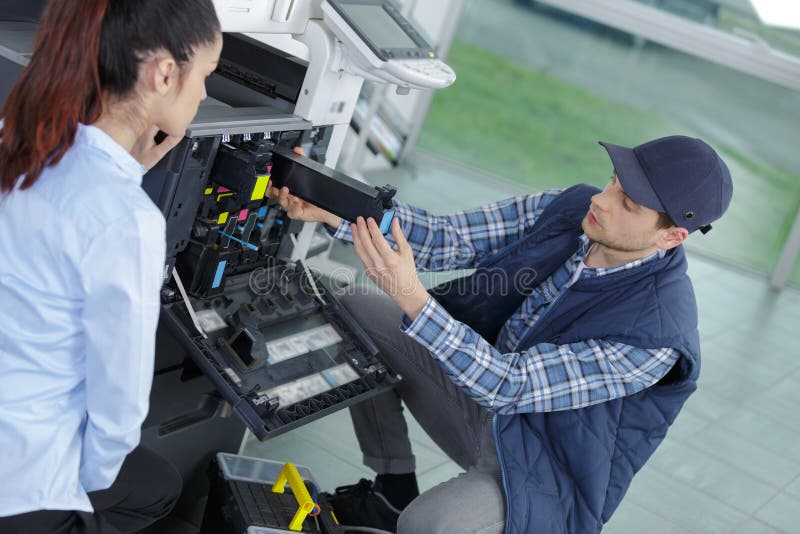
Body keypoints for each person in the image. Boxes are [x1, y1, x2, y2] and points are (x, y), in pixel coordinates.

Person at [269, 135, 733, 533]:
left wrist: (414, 298)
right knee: (358, 313)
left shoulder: (655, 337)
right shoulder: (573, 210)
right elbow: (445, 237)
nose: (603, 199)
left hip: (542, 469)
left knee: (429, 524)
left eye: (628, 204)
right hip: (478, 404)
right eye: (615, 179)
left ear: (671, 237)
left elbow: (511, 386)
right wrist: (332, 208)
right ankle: (391, 490)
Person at [0, 1, 222, 532]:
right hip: (21, 481)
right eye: (206, 76)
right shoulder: (127, 222)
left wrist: (123, 175)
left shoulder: (13, 134)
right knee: (142, 488)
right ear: (165, 73)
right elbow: (118, 415)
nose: (205, 94)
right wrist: (82, 485)